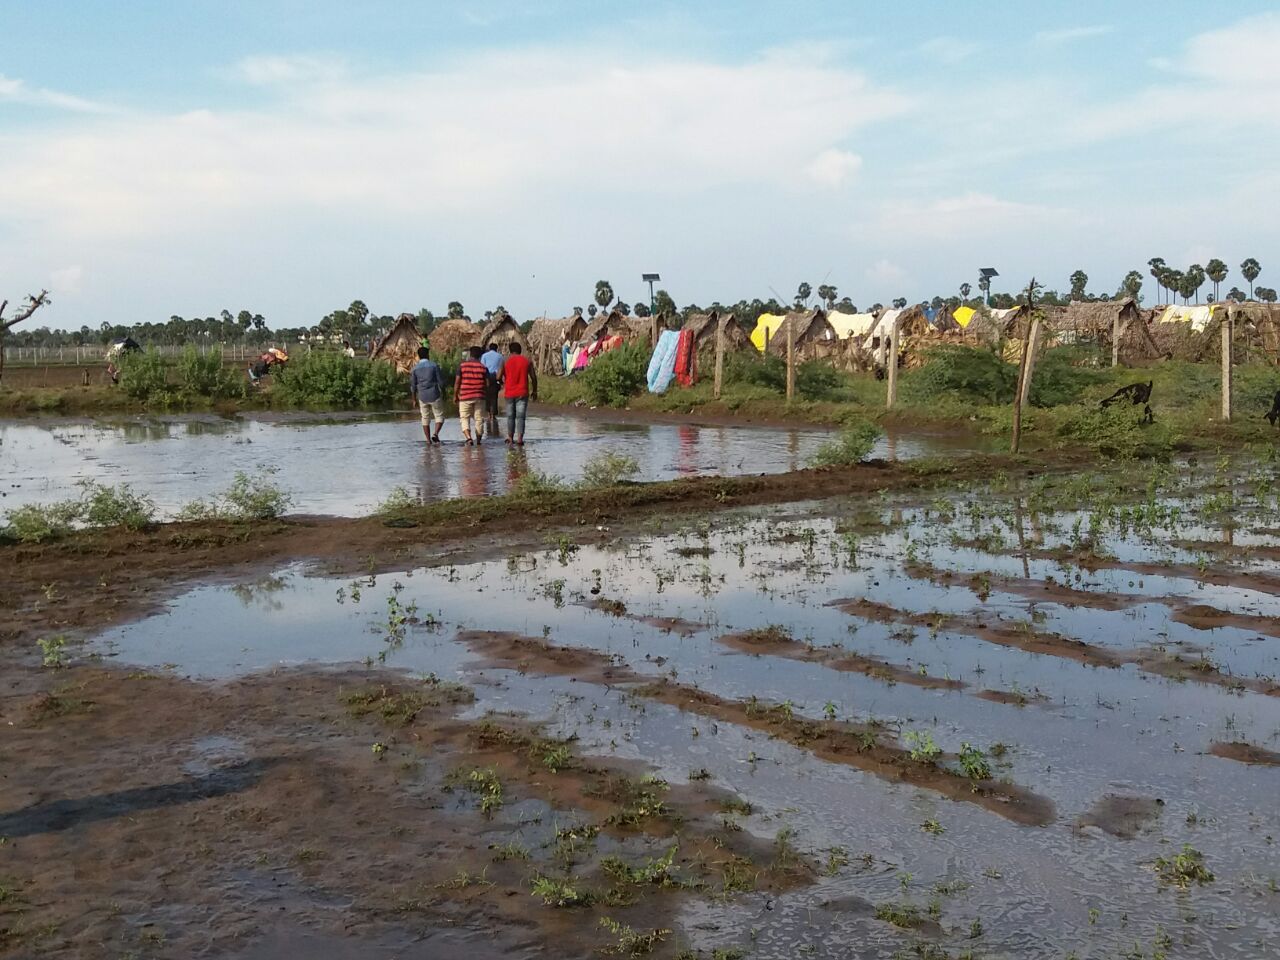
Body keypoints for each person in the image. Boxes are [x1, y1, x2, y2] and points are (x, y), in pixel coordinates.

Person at [500, 341, 538, 446]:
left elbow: (498, 376)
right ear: (520, 350)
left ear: (510, 350)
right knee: (521, 416)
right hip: (522, 392)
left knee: (510, 416)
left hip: (509, 393)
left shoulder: (505, 361)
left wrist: (503, 383)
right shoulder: (527, 361)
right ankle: (520, 438)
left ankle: (510, 438)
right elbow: (534, 378)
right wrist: (534, 391)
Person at [409, 345, 446, 443]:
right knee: (439, 416)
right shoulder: (434, 365)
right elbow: (441, 382)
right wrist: (444, 393)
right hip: (435, 394)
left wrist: (413, 399)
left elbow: (413, 385)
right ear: (427, 355)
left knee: (425, 417)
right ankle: (436, 433)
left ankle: (428, 440)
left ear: (419, 356)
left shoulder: (415, 369)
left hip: (422, 396)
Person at [455, 345, 489, 444]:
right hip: (479, 396)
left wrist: (455, 395)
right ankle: (478, 440)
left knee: (464, 418)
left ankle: (469, 438)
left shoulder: (462, 366)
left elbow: (457, 382)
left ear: (470, 354)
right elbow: (487, 384)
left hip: (465, 396)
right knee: (479, 419)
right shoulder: (483, 367)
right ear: (480, 355)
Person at [480, 341, 504, 436]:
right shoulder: (500, 356)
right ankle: (493, 415)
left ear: (489, 348)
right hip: (496, 376)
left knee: (487, 396)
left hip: (486, 376)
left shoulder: (485, 356)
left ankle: (489, 414)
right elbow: (501, 368)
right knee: (494, 396)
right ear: (496, 348)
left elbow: (483, 366)